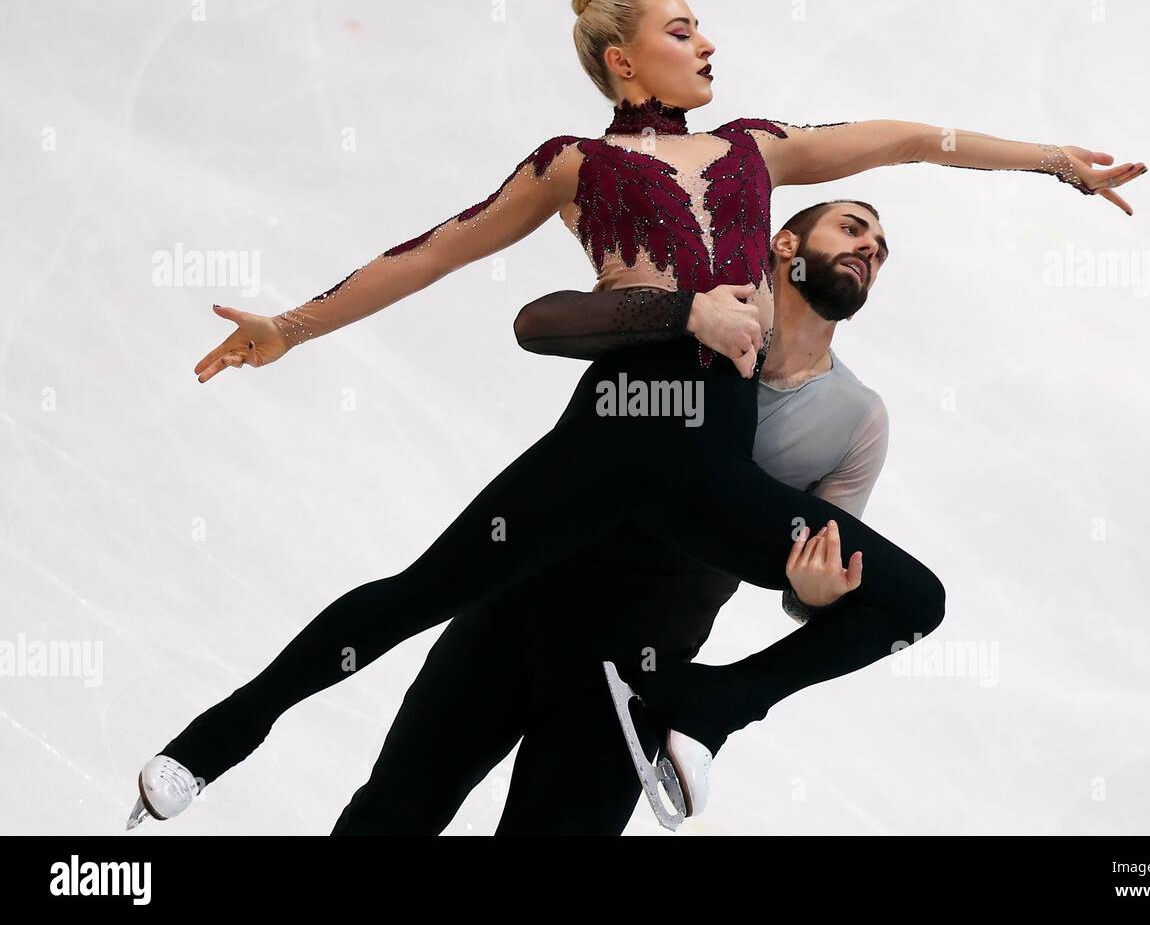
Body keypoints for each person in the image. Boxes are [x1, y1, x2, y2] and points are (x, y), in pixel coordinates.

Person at [127, 0, 1146, 832]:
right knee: (414, 593)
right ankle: (206, 746)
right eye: (681, 29)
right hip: (612, 428)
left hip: (706, 463)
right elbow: (437, 250)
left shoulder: (756, 149)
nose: (707, 42)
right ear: (623, 61)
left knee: (907, 599)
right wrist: (291, 327)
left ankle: (706, 705)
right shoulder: (577, 161)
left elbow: (914, 140)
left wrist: (1050, 160)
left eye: (701, 26)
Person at [331, 199, 890, 834]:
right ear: (785, 244)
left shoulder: (857, 418)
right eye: (852, 228)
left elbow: (818, 571)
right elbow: (538, 323)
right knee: (390, 816)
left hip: (639, 671)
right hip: (516, 613)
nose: (870, 248)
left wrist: (812, 598)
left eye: (880, 248)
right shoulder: (686, 318)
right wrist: (677, 314)